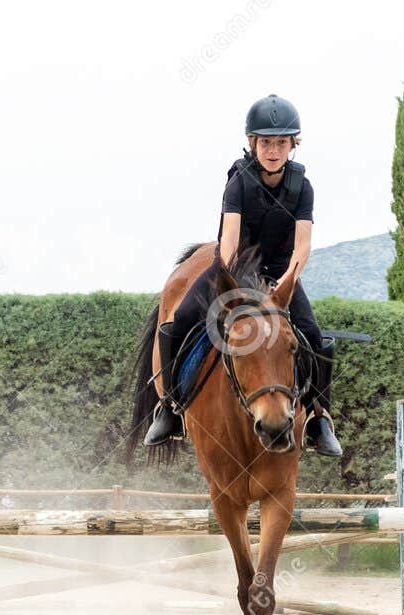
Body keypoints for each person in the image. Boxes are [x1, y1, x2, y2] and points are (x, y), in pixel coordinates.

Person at [144, 93, 342, 457]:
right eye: (266, 142)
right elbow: (230, 241)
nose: (273, 150)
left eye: (282, 142)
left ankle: (318, 418)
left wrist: (286, 284)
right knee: (180, 320)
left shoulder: (303, 187)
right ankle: (169, 409)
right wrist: (230, 281)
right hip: (233, 268)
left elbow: (303, 245)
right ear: (253, 143)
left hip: (281, 274)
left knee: (314, 336)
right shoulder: (238, 184)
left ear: (292, 145)